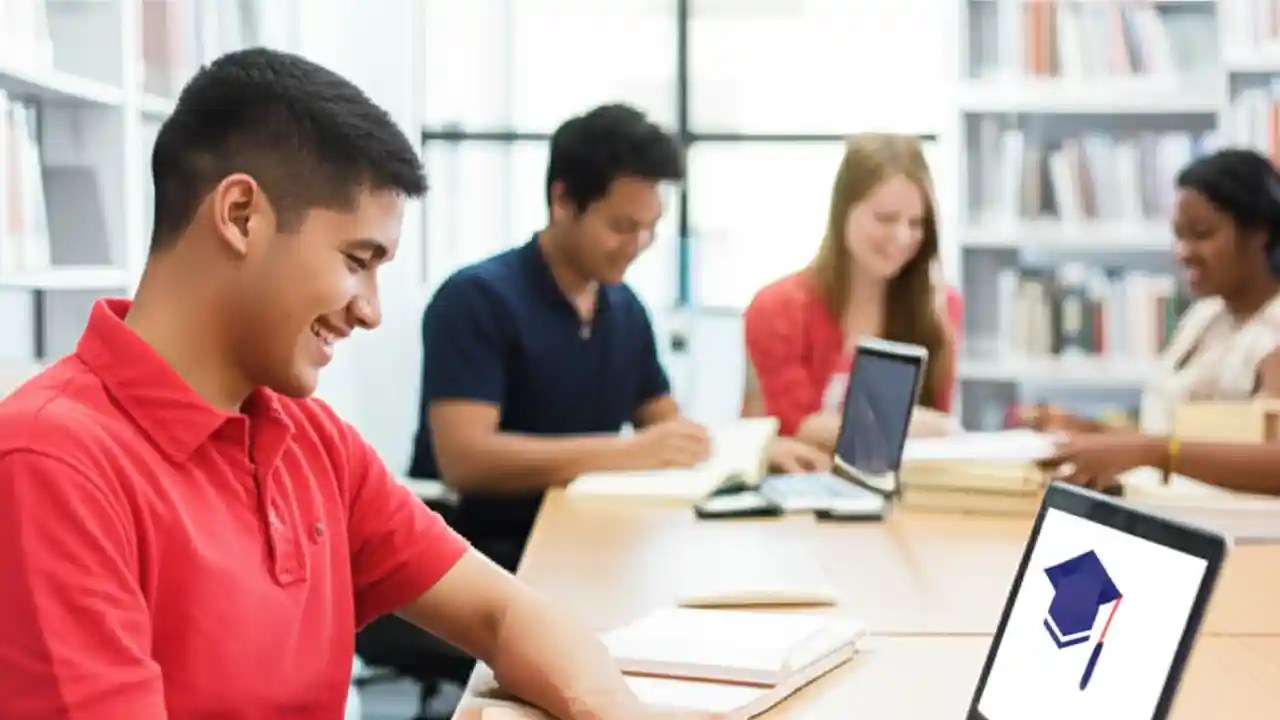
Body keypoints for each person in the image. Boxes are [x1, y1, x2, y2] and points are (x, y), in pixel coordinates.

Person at [0, 50, 703, 720]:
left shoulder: (313, 443)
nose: (369, 310)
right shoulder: (52, 464)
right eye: (356, 260)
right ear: (241, 216)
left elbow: (506, 612)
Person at [410, 104, 824, 572]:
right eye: (622, 226)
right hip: (481, 556)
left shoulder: (624, 309)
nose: (638, 244)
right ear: (562, 200)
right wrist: (625, 453)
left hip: (590, 541)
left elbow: (667, 429)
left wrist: (750, 453)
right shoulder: (476, 299)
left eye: (651, 228)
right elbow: (466, 459)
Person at [1037, 148, 1280, 494]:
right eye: (1179, 235)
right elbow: (1173, 436)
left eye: (1201, 234)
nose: (1183, 252)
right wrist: (1096, 437)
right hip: (1166, 510)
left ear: (1260, 233)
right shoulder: (1206, 316)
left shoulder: (1272, 332)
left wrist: (1153, 451)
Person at [742, 133, 964, 454]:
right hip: (803, 489)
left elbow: (940, 425)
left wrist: (925, 427)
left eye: (917, 223)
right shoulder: (776, 307)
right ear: (843, 211)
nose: (902, 237)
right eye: (885, 219)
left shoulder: (941, 306)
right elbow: (797, 425)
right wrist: (917, 425)